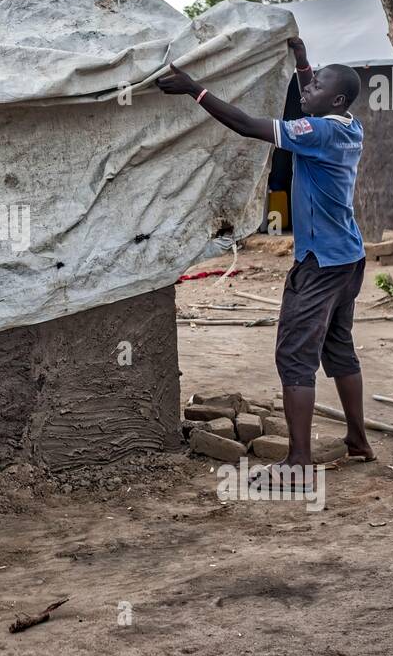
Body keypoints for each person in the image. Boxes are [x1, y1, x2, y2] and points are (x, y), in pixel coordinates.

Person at [157, 37, 375, 486]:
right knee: (339, 348)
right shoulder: (349, 126)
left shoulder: (319, 133)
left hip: (318, 263)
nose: (305, 90)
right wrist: (302, 64)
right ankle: (358, 439)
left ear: (334, 99)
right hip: (348, 257)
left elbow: (246, 125)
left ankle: (298, 458)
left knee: (295, 355)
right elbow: (313, 103)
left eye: (314, 86)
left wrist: (194, 89)